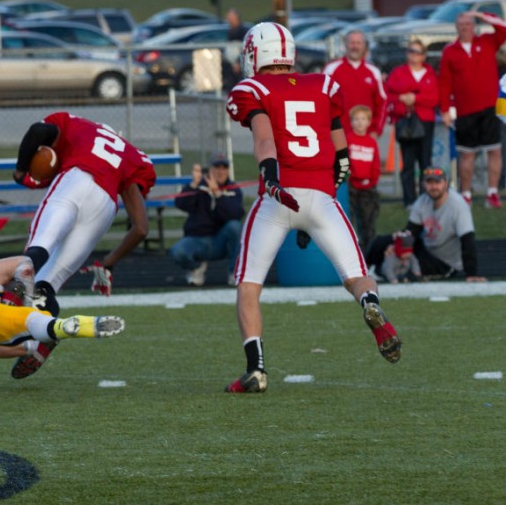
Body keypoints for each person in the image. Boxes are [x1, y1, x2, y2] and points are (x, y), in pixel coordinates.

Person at [224, 21, 401, 394]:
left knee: (248, 284)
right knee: (357, 276)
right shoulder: (323, 84)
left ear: (255, 53)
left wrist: (270, 176)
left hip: (277, 197)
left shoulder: (253, 89)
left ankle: (256, 369)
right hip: (322, 197)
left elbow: (264, 139)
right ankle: (370, 303)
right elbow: (341, 155)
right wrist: (325, 192)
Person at [0, 204, 126, 380]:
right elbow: (24, 266)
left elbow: (25, 346)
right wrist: (23, 303)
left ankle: (58, 327)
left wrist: (24, 305)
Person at [12, 112, 157, 320]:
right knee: (46, 287)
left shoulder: (74, 125)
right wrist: (108, 262)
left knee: (38, 250)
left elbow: (37, 131)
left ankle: (6, 294)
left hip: (75, 179)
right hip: (104, 206)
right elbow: (141, 228)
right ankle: (39, 338)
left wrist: (20, 171)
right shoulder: (131, 155)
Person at [366, 167, 486, 282]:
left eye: (437, 182)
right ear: (423, 184)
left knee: (408, 269)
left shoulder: (458, 205)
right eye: (429, 182)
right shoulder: (422, 201)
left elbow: (468, 240)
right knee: (382, 241)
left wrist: (471, 273)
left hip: (445, 262)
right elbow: (410, 233)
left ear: (446, 183)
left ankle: (378, 271)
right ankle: (364, 269)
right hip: (425, 250)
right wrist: (395, 247)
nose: (433, 186)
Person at [438, 11, 506, 208]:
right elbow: (445, 82)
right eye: (461, 24)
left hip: (490, 107)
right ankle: (466, 194)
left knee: (494, 150)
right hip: (465, 109)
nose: (465, 28)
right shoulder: (450, 51)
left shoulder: (487, 42)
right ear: (456, 27)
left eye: (468, 24)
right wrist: (445, 109)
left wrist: (482, 15)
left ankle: (492, 193)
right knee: (467, 154)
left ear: (474, 26)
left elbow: (503, 28)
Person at [168, 153, 244, 286]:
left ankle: (234, 272)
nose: (221, 171)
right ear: (210, 169)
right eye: (217, 167)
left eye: (224, 168)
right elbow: (180, 204)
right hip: (198, 239)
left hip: (222, 241)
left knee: (235, 226)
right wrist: (193, 184)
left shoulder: (233, 189)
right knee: (177, 252)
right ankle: (196, 268)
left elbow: (236, 213)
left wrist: (218, 194)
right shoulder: (199, 186)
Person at [385, 39, 440, 207]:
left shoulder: (430, 74)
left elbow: (434, 97)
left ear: (423, 56)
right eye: (411, 51)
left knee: (425, 161)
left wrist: (416, 98)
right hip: (405, 120)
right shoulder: (398, 72)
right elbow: (389, 94)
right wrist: (402, 99)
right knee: (408, 162)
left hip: (425, 121)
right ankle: (409, 200)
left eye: (417, 52)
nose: (413, 55)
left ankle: (426, 198)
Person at [323, 29, 388, 137]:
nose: (355, 46)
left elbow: (382, 102)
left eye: (358, 43)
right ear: (346, 44)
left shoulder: (374, 72)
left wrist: (376, 130)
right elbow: (321, 101)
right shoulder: (331, 69)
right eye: (352, 43)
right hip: (338, 135)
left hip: (365, 137)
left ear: (364, 46)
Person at [346, 105, 381, 252]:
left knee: (368, 222)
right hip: (351, 187)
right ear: (351, 122)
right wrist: (350, 178)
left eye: (363, 119)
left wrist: (372, 182)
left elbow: (376, 164)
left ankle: (368, 253)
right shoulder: (348, 139)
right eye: (356, 119)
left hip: (368, 188)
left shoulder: (371, 142)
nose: (360, 122)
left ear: (368, 122)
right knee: (349, 220)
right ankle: (350, 249)